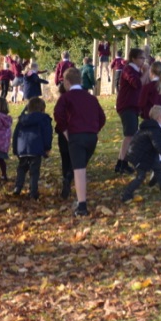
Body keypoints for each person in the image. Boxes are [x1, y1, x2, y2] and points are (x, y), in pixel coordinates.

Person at [53, 67, 106, 216]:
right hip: (91, 136)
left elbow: (58, 115)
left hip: (76, 135)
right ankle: (79, 198)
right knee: (81, 167)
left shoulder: (66, 98)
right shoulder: (91, 98)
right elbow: (102, 117)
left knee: (79, 170)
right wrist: (94, 129)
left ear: (66, 82)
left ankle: (82, 205)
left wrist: (66, 132)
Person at [121, 105, 161, 202]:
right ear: (160, 118)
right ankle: (127, 194)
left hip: (147, 153)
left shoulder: (156, 128)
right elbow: (158, 146)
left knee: (158, 168)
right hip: (139, 156)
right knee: (140, 176)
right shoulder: (153, 130)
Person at [12, 96, 53, 199]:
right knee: (34, 171)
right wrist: (47, 147)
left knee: (21, 169)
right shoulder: (44, 119)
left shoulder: (22, 120)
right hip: (36, 148)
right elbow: (47, 133)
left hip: (22, 148)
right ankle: (33, 191)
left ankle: (18, 187)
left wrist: (15, 148)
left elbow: (16, 134)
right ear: (42, 109)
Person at [114, 48, 146, 175]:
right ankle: (122, 163)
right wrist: (146, 72)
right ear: (133, 58)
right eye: (141, 58)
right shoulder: (128, 70)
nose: (143, 61)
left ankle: (121, 163)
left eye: (144, 58)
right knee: (130, 135)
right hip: (126, 105)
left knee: (130, 135)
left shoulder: (136, 70)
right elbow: (137, 84)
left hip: (132, 106)